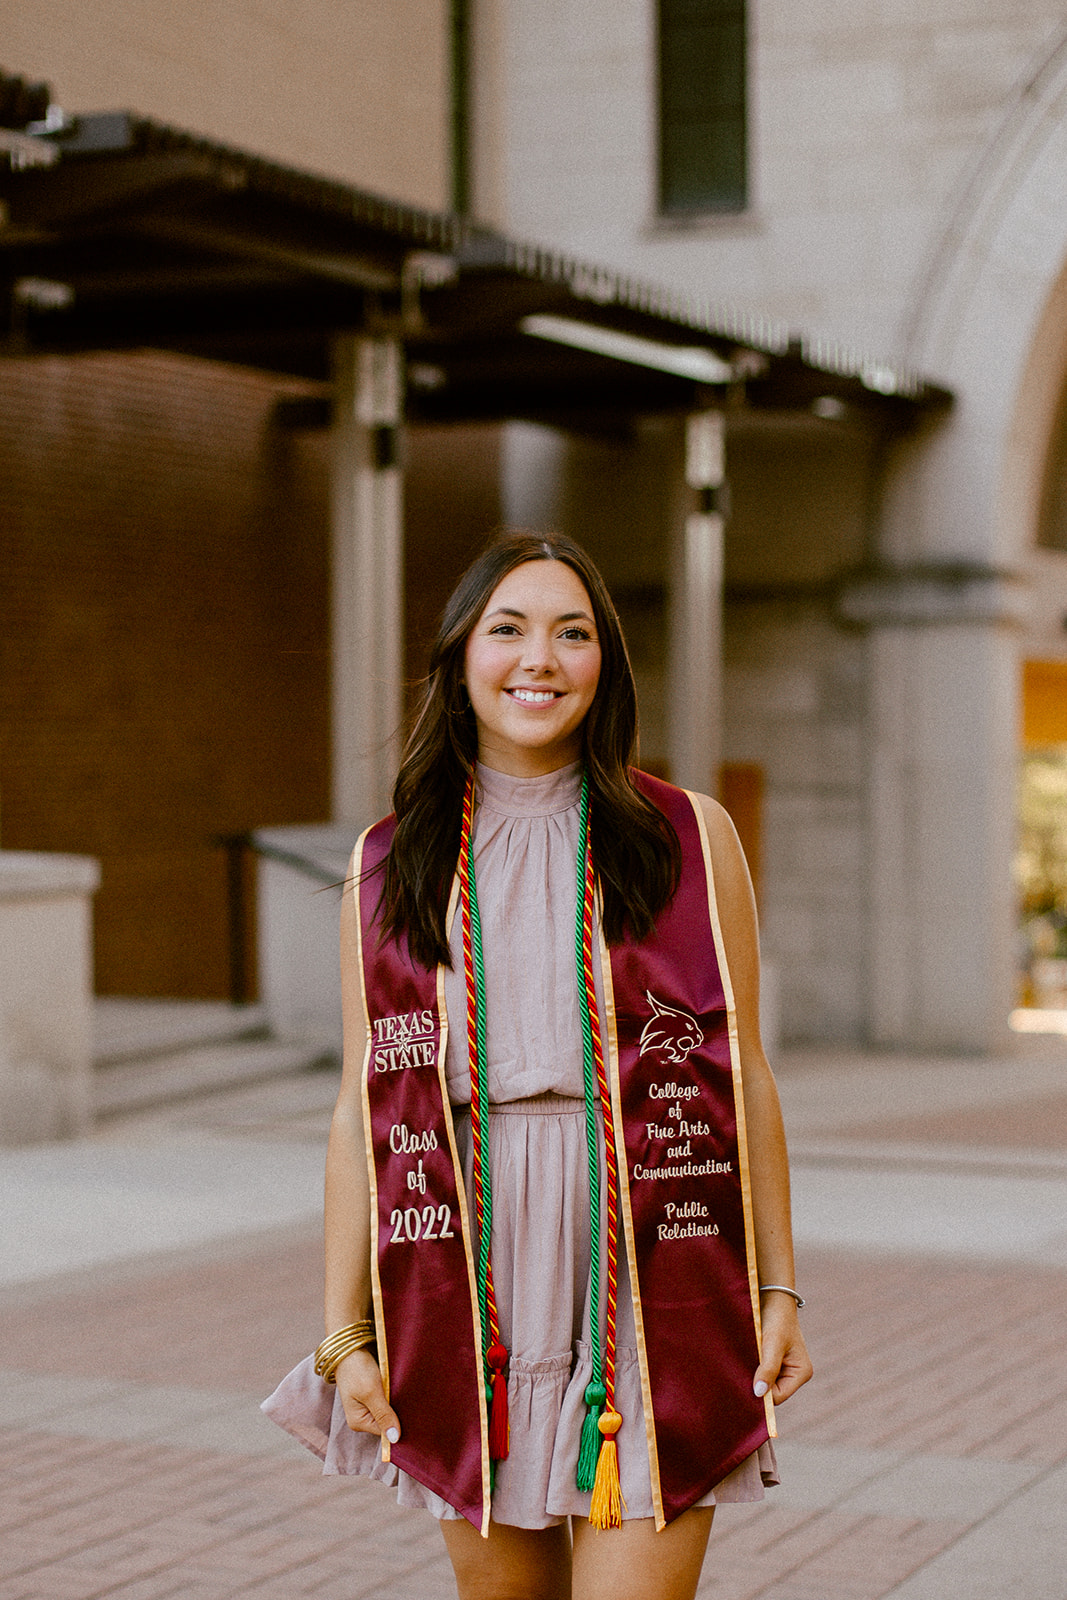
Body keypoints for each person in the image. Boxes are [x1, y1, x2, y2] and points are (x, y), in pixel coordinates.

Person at [264, 531, 812, 1600]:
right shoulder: (391, 860)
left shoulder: (685, 837)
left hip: (651, 1259)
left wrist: (778, 1279)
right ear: (459, 657)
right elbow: (359, 1108)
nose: (538, 658)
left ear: (603, 662)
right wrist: (345, 1331)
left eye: (572, 632)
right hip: (470, 1266)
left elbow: (739, 1068)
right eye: (506, 629)